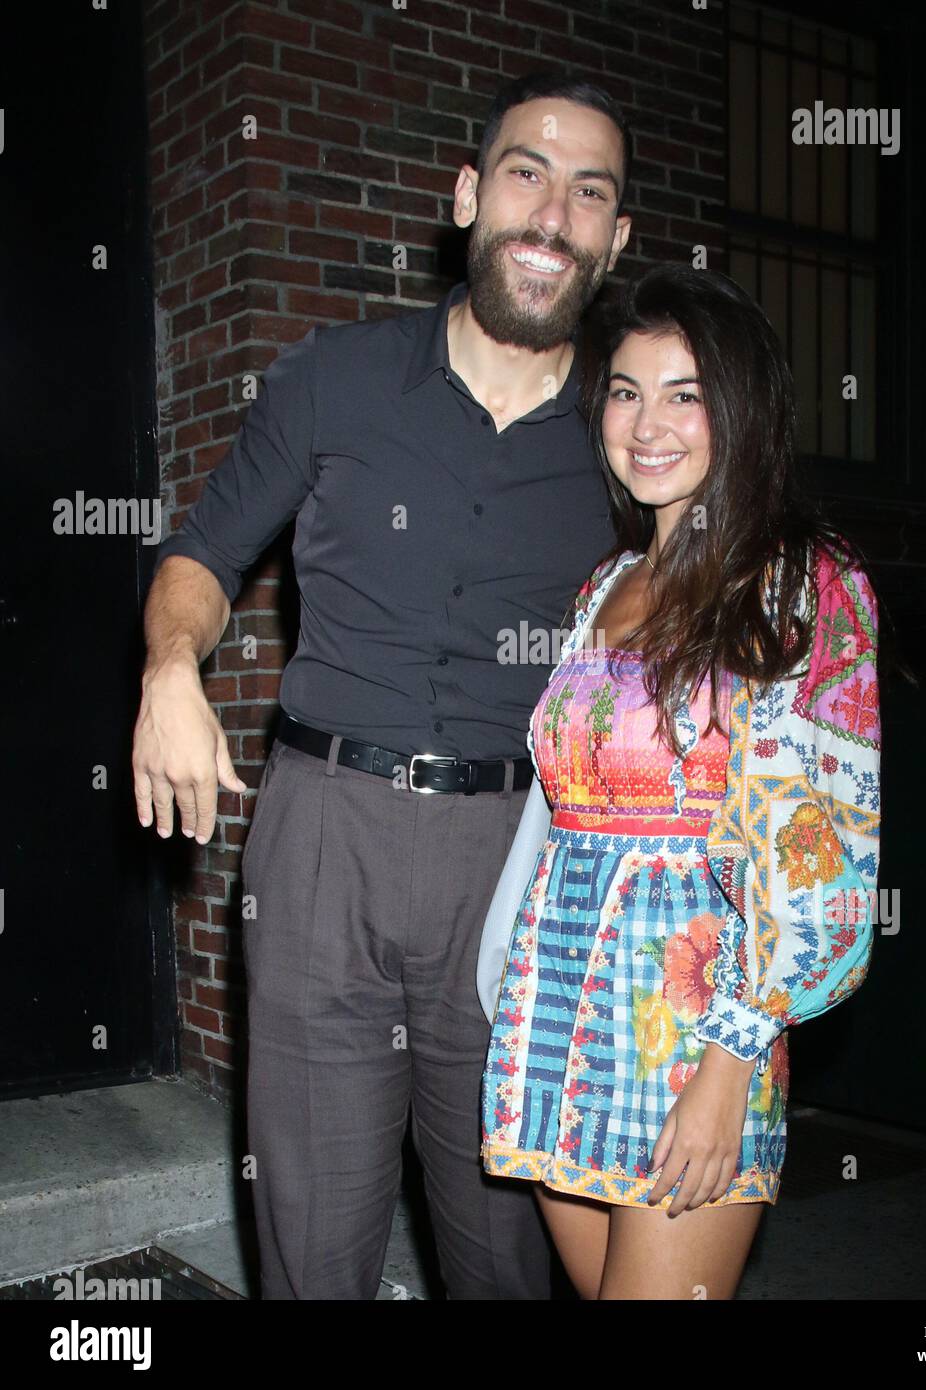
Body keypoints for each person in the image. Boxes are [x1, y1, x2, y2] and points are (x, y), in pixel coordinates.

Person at [131, 72, 635, 1299]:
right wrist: (168, 667)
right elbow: (200, 554)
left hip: (520, 858)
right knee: (312, 1238)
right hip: (324, 843)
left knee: (506, 1249)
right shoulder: (334, 379)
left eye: (588, 194)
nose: (550, 214)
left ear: (615, 241)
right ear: (469, 195)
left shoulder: (634, 438)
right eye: (526, 173)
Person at [480, 263, 883, 1300]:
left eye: (684, 393)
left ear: (739, 411)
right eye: (624, 390)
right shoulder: (600, 586)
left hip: (696, 1023)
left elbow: (820, 851)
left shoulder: (802, 582)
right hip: (561, 1010)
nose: (646, 422)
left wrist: (731, 1064)